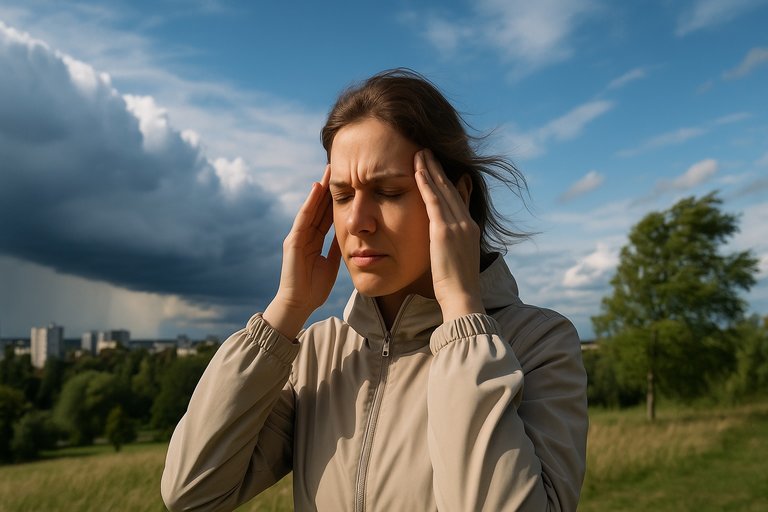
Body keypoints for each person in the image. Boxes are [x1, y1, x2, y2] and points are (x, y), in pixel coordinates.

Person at [161, 69, 588, 512]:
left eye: (386, 191)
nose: (357, 221)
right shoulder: (317, 354)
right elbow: (192, 493)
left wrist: (463, 318)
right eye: (342, 196)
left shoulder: (538, 344)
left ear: (456, 198)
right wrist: (286, 310)